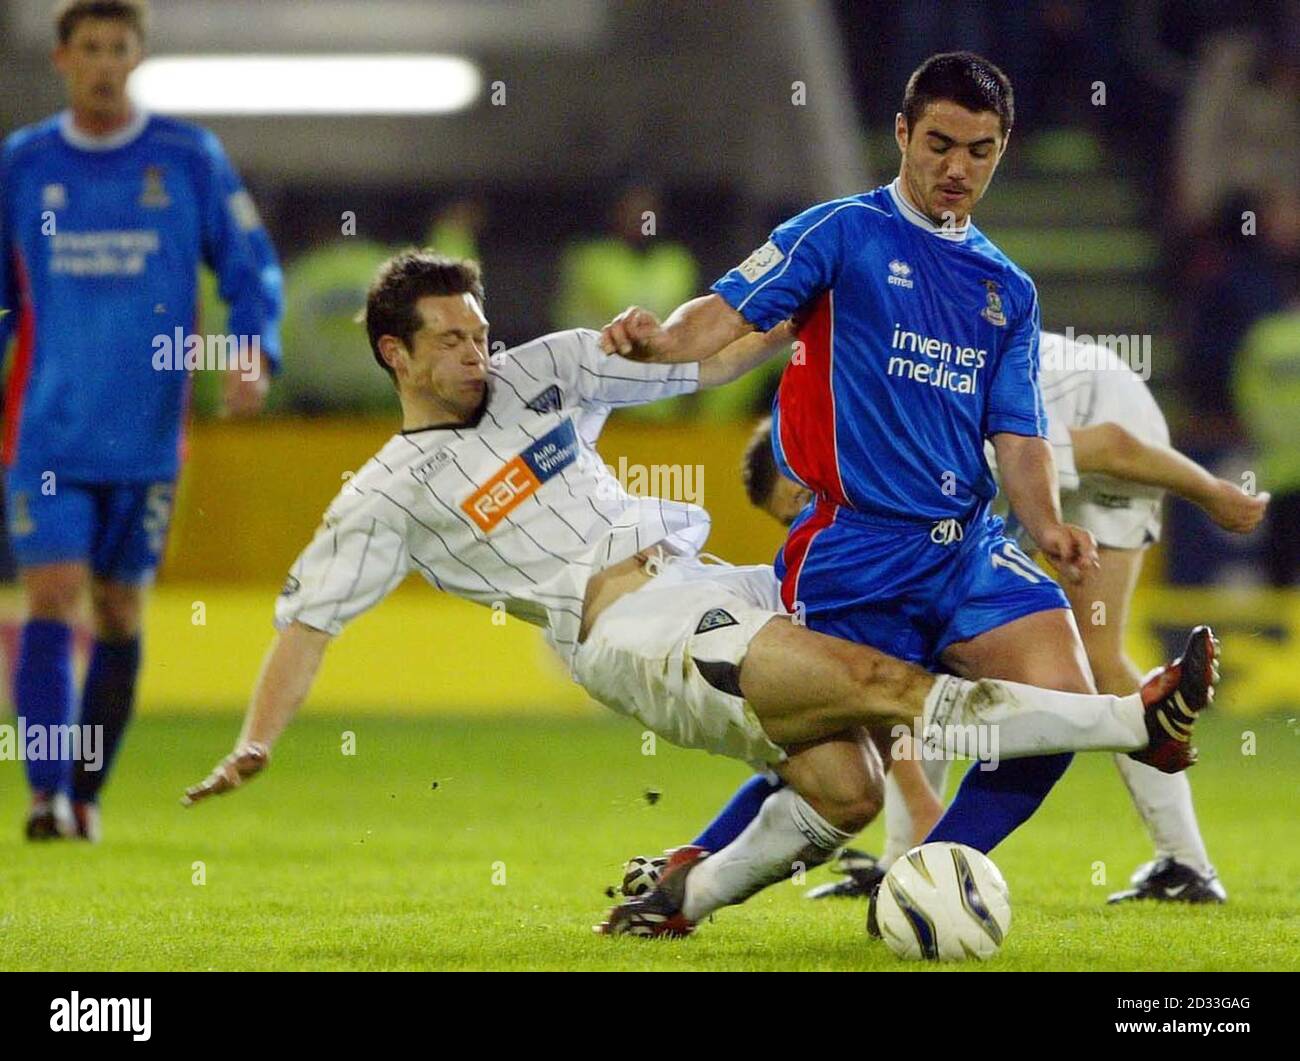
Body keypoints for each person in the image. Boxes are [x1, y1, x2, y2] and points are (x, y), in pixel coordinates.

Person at [178, 251, 1216, 940]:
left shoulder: (536, 372)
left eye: (478, 329)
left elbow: (697, 361)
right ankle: (1136, 720)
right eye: (449, 340)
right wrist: (257, 741)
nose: (475, 352)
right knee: (883, 682)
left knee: (849, 793)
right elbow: (307, 621)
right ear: (393, 354)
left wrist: (796, 311)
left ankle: (683, 894)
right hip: (627, 633)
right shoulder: (383, 493)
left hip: (709, 583)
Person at [601, 52, 1103, 869]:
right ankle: (695, 863)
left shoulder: (1007, 288)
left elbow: (1018, 431)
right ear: (902, 133)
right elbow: (727, 312)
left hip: (967, 543)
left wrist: (1046, 522)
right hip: (855, 546)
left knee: (1062, 703)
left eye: (979, 151)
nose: (956, 168)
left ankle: (934, 873)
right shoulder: (840, 232)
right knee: (841, 759)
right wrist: (664, 340)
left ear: (1001, 151)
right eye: (939, 143)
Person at [656, 334, 1266, 908]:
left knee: (1098, 657)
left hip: (1116, 423)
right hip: (1031, 453)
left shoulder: (937, 436)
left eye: (797, 504)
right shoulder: (876, 465)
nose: (802, 523)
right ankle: (905, 854)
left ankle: (1186, 864)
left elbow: (1112, 447)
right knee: (922, 647)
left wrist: (1214, 493)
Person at [0, 0, 283, 840]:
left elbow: (250, 265)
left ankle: (86, 793)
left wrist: (251, 350)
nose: (102, 64)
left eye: (117, 49)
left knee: (120, 612)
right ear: (62, 58)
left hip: (149, 437)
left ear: (137, 58)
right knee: (51, 595)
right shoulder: (23, 163)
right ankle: (46, 796)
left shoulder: (187, 158)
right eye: (87, 48)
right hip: (45, 430)